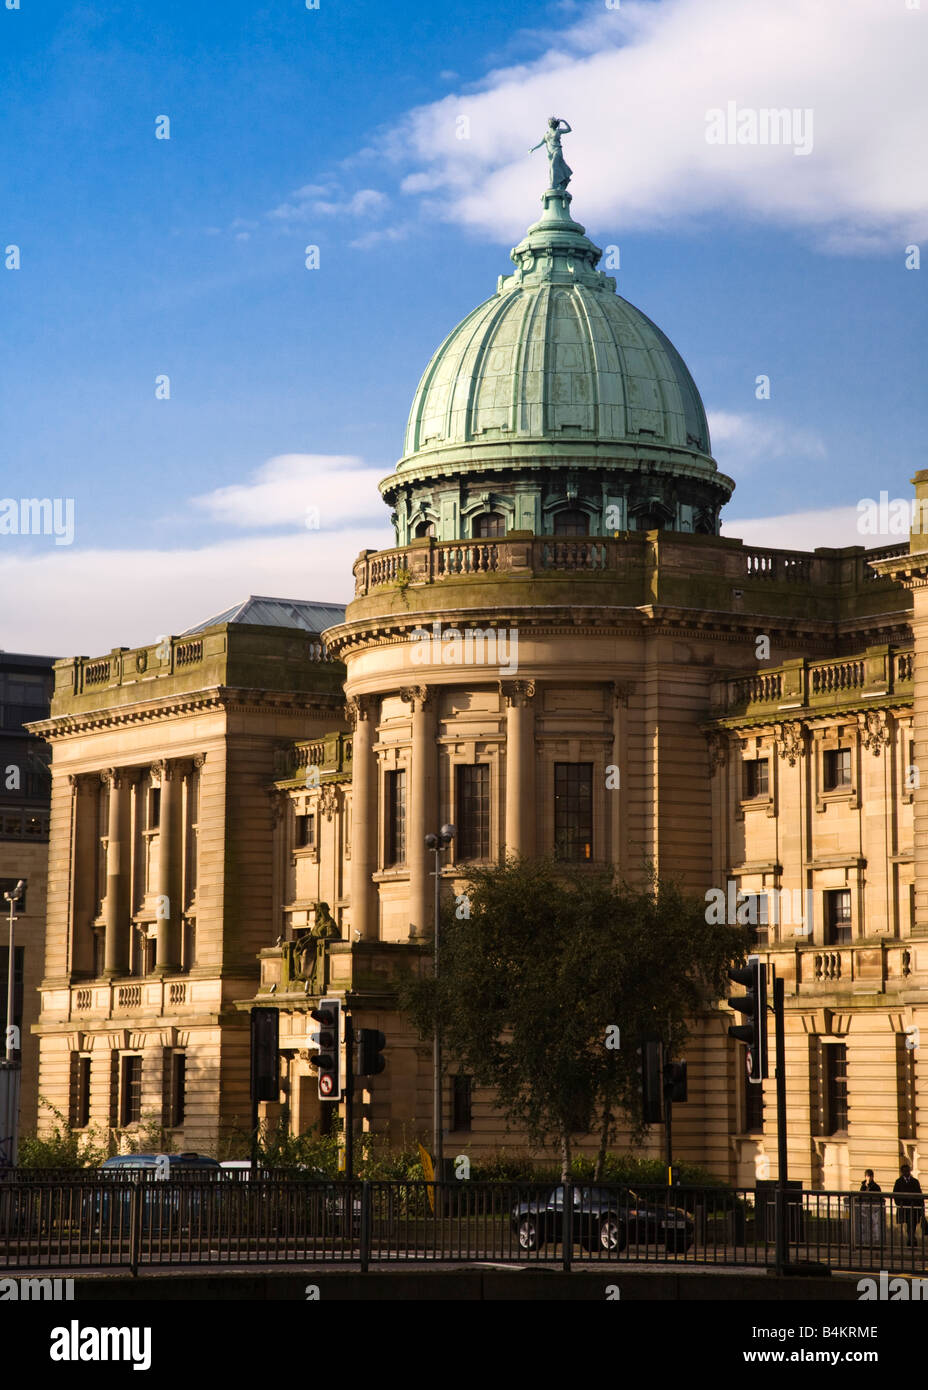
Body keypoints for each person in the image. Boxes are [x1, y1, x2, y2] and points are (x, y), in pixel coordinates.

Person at [529, 117, 573, 192]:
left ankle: (553, 185)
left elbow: (569, 129)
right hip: (550, 154)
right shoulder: (546, 134)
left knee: (553, 166)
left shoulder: (558, 131)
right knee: (552, 168)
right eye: (549, 122)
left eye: (552, 122)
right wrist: (533, 149)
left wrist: (563, 121)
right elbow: (541, 143)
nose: (550, 123)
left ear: (554, 123)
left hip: (557, 150)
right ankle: (561, 182)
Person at [893, 1163, 924, 1247]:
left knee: (912, 1223)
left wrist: (921, 1207)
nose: (906, 1173)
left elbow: (919, 1194)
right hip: (904, 1207)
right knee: (908, 1223)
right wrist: (900, 1203)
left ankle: (911, 1238)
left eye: (908, 1171)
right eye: (904, 1171)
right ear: (902, 1172)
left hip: (913, 1207)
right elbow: (895, 1195)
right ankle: (911, 1238)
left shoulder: (915, 1181)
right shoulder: (899, 1182)